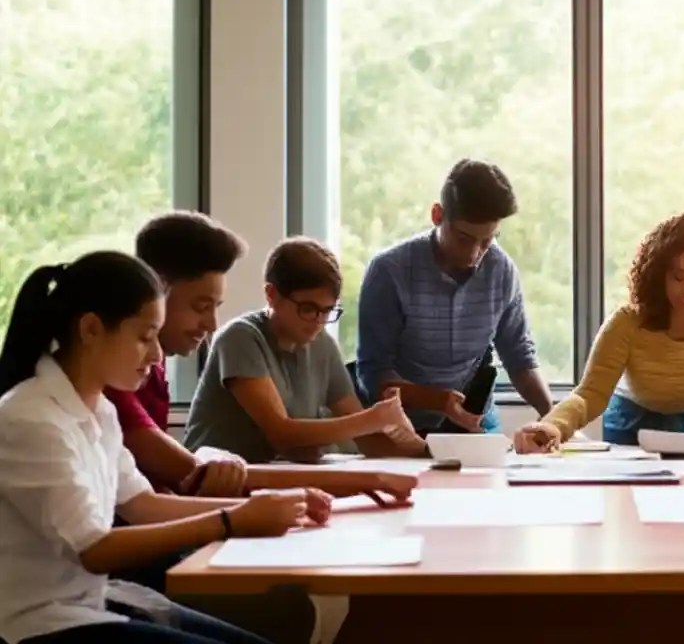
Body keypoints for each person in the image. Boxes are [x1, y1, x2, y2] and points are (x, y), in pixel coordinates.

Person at [0, 251, 333, 644]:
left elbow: (143, 505)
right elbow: (94, 549)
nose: (156, 355)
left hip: (91, 604)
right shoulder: (30, 418)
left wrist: (273, 505)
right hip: (39, 625)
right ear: (91, 329)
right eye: (144, 337)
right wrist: (232, 520)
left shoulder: (99, 410)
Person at [107, 212, 415, 499]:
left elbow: (157, 495)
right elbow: (194, 473)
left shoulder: (152, 367)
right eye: (201, 307)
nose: (212, 325)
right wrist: (366, 476)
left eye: (327, 312)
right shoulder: (116, 376)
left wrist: (421, 449)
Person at [514, 211, 684, 452]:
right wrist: (552, 427)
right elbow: (590, 395)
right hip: (630, 428)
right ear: (659, 275)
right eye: (679, 277)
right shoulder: (626, 323)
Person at [356, 159, 555, 435]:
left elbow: (519, 357)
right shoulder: (389, 272)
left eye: (487, 241)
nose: (475, 254)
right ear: (437, 215)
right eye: (464, 239)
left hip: (473, 419)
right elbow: (373, 375)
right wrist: (440, 401)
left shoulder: (501, 270)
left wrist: (553, 417)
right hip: (399, 424)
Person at [185, 237, 424, 464]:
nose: (318, 322)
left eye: (327, 311)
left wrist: (420, 447)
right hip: (215, 478)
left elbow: (366, 440)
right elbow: (281, 433)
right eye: (308, 309)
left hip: (279, 478)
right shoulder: (240, 338)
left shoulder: (323, 345)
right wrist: (373, 419)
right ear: (271, 295)